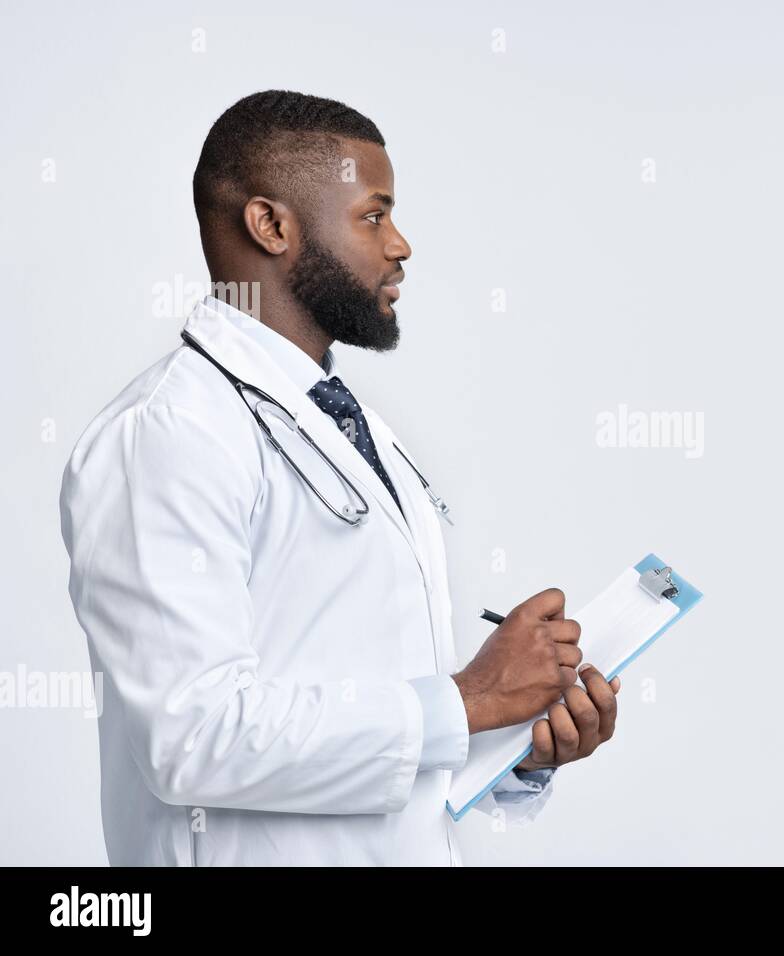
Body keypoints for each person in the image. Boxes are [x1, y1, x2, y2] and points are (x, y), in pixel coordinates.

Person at [58, 90, 621, 866]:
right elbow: (189, 739)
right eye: (372, 216)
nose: (401, 246)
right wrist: (469, 698)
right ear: (272, 225)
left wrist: (513, 747)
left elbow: (368, 733)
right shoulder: (170, 433)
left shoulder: (337, 417)